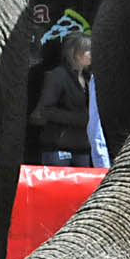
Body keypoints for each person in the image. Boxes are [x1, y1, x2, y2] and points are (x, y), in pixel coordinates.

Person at [31, 33, 96, 167]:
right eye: (87, 51)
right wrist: (81, 118)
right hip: (59, 146)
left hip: (83, 146)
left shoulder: (89, 78)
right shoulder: (58, 76)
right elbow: (46, 110)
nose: (91, 54)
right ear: (76, 54)